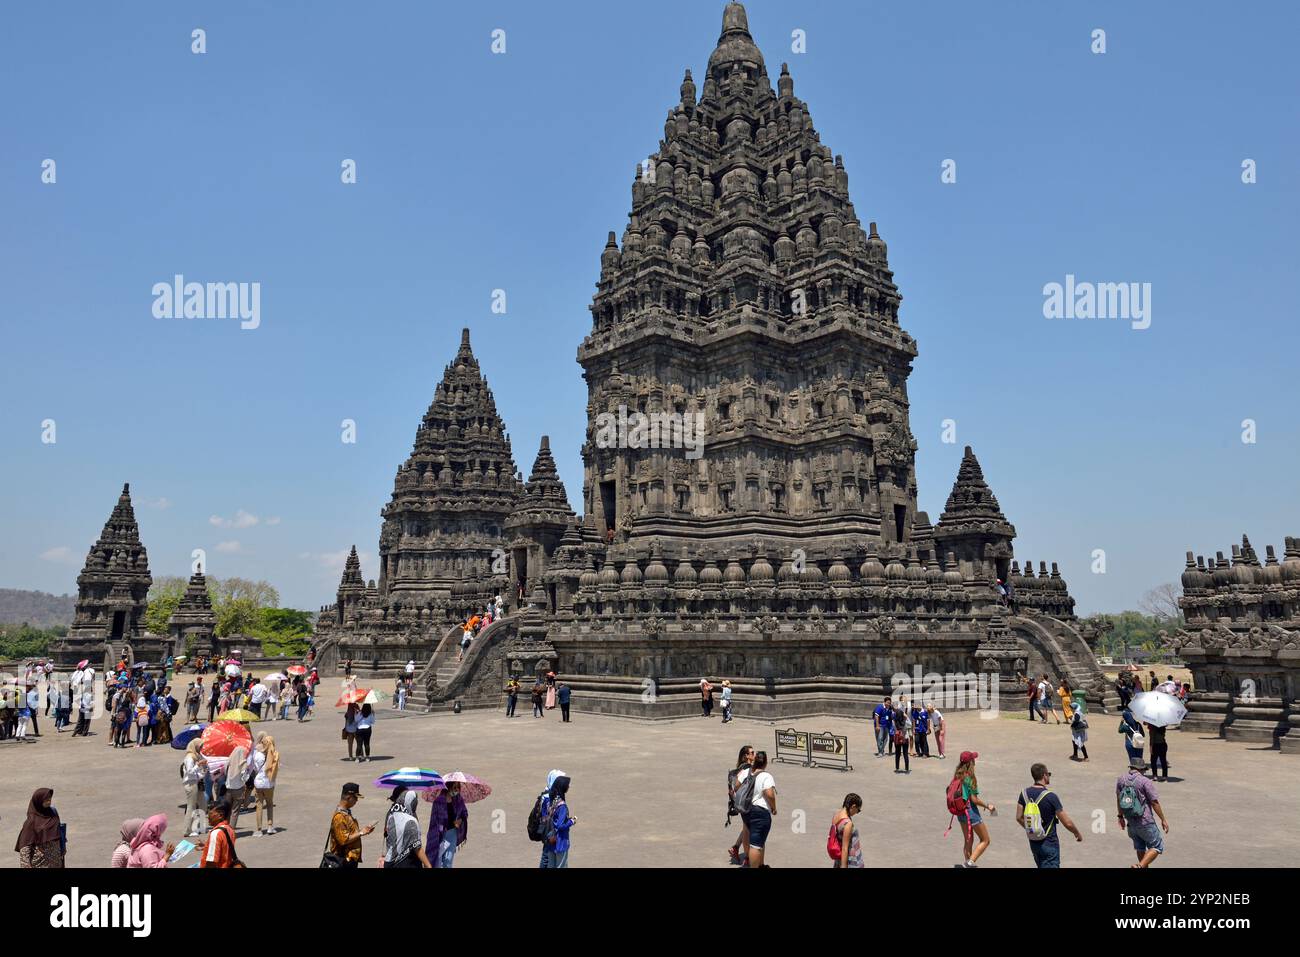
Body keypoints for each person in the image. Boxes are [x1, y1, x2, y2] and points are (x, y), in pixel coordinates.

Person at [1015, 763, 1082, 868]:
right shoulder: (1051, 796)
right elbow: (1067, 823)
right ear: (1044, 775)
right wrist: (1077, 833)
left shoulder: (1024, 794)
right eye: (1048, 774)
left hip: (1034, 842)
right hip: (1049, 843)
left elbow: (1018, 817)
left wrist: (1032, 828)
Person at [1116, 757, 1170, 867]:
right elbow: (1154, 802)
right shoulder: (1145, 781)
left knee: (1140, 847)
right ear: (1141, 769)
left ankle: (1141, 866)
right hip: (1145, 821)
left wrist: (1120, 816)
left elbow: (1119, 799)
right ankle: (1139, 866)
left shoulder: (1121, 779)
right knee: (1157, 846)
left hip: (1131, 822)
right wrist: (1163, 819)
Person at [952, 752, 995, 868]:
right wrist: (987, 806)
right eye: (973, 759)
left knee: (968, 840)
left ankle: (968, 862)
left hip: (960, 811)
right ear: (970, 762)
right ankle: (969, 863)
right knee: (985, 840)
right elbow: (974, 800)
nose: (975, 761)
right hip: (970, 812)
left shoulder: (957, 775)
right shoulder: (970, 777)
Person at [328, 783, 373, 869]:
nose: (357, 800)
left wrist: (364, 831)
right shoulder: (339, 817)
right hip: (343, 861)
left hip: (349, 860)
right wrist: (361, 832)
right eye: (355, 798)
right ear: (349, 797)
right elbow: (344, 840)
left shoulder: (346, 813)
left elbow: (350, 833)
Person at [15, 788, 64, 868]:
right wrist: (26, 865)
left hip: (56, 862)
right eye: (46, 799)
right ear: (39, 801)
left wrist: (62, 848)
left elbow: (58, 832)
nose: (49, 801)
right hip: (40, 864)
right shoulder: (31, 822)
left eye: (50, 799)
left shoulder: (53, 814)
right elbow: (25, 847)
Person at [743, 752, 775, 868]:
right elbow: (770, 794)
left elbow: (736, 785)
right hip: (759, 812)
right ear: (765, 763)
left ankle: (760, 865)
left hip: (746, 810)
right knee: (755, 845)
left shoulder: (747, 772)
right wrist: (774, 807)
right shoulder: (766, 776)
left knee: (757, 838)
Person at [383, 787, 431, 868]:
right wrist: (428, 865)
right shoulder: (411, 820)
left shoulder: (391, 815)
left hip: (389, 861)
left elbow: (386, 834)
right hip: (407, 862)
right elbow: (417, 847)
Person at [427, 780, 468, 868]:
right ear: (448, 787)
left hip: (452, 834)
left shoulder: (458, 799)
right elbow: (434, 821)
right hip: (440, 835)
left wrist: (459, 821)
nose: (456, 790)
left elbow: (464, 813)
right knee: (437, 861)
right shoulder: (438, 801)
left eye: (458, 787)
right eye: (454, 787)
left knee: (448, 862)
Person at [726, 745, 755, 865]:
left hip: (741, 802)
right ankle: (747, 858)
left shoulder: (740, 768)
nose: (754, 754)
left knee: (746, 828)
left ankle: (736, 847)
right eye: (752, 753)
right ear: (746, 756)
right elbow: (738, 786)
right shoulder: (747, 768)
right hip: (746, 803)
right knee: (748, 830)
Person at [539, 775, 575, 868]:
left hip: (550, 840)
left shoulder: (550, 801)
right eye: (567, 785)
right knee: (561, 865)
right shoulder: (562, 806)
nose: (569, 786)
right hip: (560, 842)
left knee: (551, 865)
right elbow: (560, 825)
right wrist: (571, 821)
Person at [252, 733, 280, 835]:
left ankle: (259, 830)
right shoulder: (274, 754)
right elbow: (276, 769)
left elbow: (255, 768)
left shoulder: (258, 754)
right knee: (269, 804)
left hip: (258, 782)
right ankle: (270, 826)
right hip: (269, 783)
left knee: (259, 805)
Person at [182, 740, 209, 836]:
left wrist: (205, 767)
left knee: (203, 805)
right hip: (190, 784)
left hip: (197, 782)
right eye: (200, 746)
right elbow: (190, 772)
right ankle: (187, 830)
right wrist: (198, 765)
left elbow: (200, 773)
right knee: (191, 807)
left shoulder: (197, 755)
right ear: (195, 746)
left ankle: (200, 827)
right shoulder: (190, 757)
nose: (201, 748)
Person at [829, 793, 864, 868]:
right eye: (858, 810)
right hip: (851, 861)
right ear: (853, 806)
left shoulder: (836, 814)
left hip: (839, 859)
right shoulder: (848, 824)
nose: (856, 813)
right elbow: (845, 848)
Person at [200, 802, 239, 868]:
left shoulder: (215, 834)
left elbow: (211, 863)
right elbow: (224, 848)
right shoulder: (229, 829)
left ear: (220, 815)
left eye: (210, 813)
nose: (208, 816)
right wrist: (207, 846)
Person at [225, 746, 250, 830]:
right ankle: (231, 830)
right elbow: (244, 778)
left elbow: (224, 772)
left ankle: (225, 829)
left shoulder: (229, 761)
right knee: (234, 812)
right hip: (238, 790)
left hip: (228, 789)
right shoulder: (243, 763)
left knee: (228, 811)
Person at [1070, 692, 1090, 761]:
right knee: (1074, 742)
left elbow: (1077, 720)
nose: (1071, 709)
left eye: (1072, 708)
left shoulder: (1076, 713)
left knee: (1080, 743)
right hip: (1077, 731)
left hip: (1078, 731)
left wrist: (1072, 725)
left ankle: (1086, 757)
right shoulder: (1079, 711)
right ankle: (1075, 754)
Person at [891, 699, 910, 772]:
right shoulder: (905, 722)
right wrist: (903, 714)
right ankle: (907, 769)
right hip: (905, 737)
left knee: (897, 753)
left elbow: (894, 727)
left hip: (897, 737)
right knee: (905, 753)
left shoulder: (894, 721)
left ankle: (897, 768)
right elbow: (910, 724)